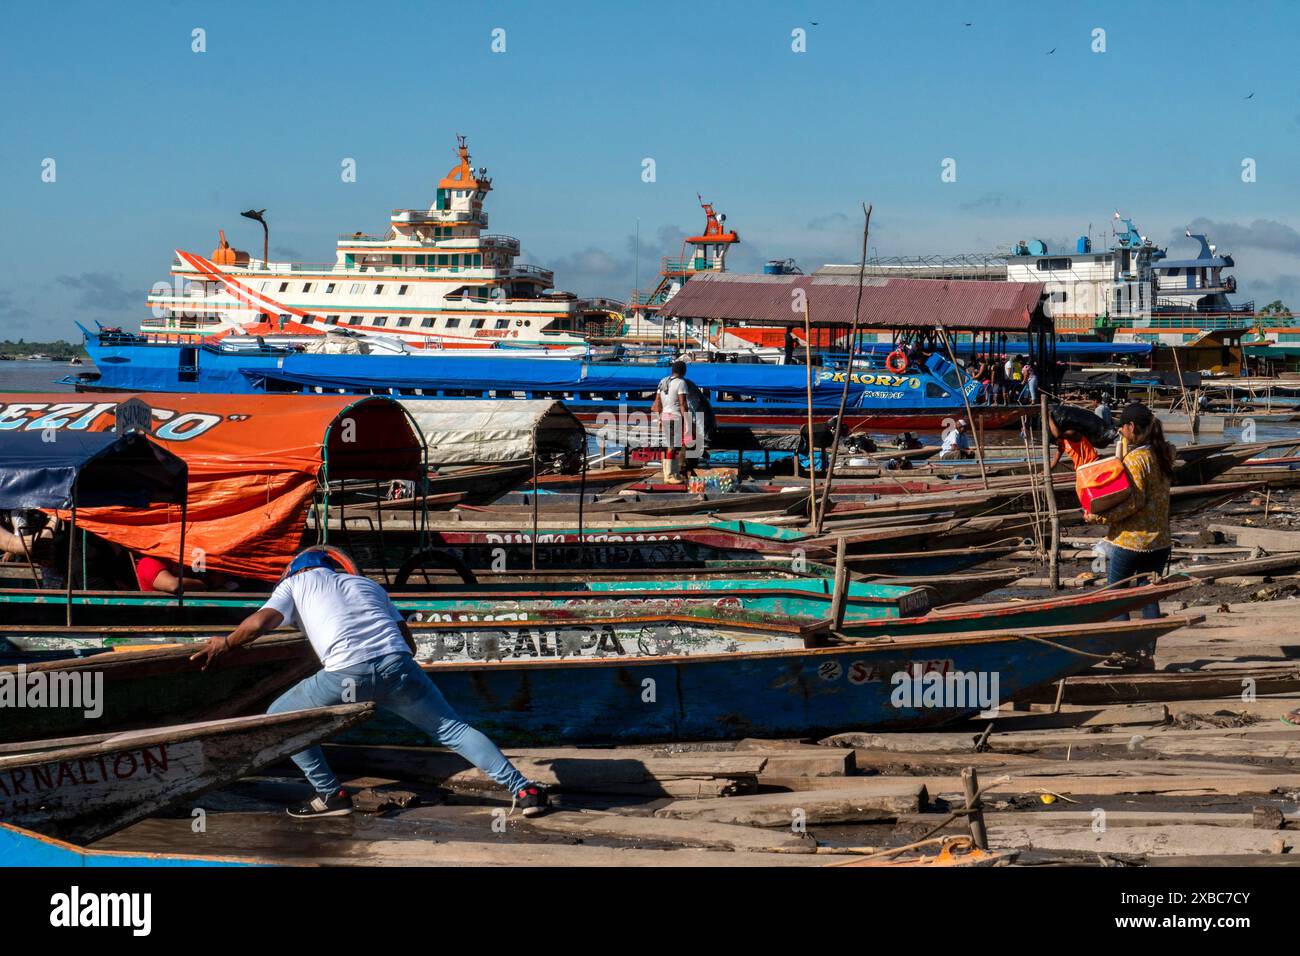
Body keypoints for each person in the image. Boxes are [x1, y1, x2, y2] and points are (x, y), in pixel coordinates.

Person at [190, 549, 550, 818]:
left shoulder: (296, 583)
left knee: (282, 718)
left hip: (349, 671)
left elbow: (257, 624)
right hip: (399, 665)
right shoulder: (366, 584)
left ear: (292, 571)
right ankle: (525, 791)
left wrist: (225, 643)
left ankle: (330, 796)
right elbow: (406, 642)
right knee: (452, 729)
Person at [1086, 402, 1175, 669]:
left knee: (1117, 597)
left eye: (1122, 429)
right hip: (1160, 540)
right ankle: (1146, 654)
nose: (1121, 434)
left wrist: (1099, 516)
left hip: (1132, 541)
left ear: (1131, 427)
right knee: (1149, 597)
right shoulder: (1164, 454)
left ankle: (1125, 651)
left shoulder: (1137, 460)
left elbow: (1133, 502)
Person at [651, 360, 692, 484]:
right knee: (672, 447)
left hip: (665, 416)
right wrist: (688, 421)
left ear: (673, 370)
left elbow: (657, 402)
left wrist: (659, 417)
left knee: (672, 446)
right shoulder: (681, 383)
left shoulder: (663, 381)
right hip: (675, 417)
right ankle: (669, 475)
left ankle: (674, 473)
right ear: (684, 371)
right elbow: (683, 404)